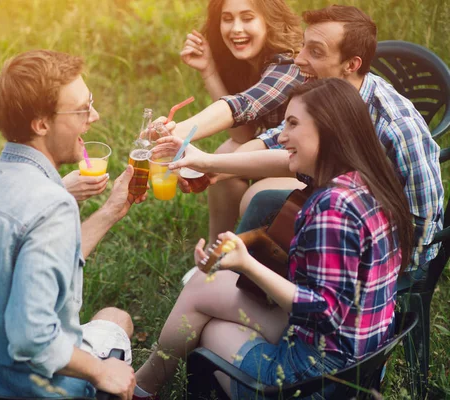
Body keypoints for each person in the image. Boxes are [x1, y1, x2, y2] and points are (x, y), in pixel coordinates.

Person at [133, 78, 413, 400]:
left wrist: (247, 265)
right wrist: (206, 161)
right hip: (362, 353)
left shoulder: (333, 208)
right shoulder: (368, 178)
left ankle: (140, 388)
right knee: (204, 285)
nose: (281, 137)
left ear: (329, 129)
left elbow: (324, 312)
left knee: (211, 329)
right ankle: (143, 386)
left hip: (318, 378)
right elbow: (281, 161)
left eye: (292, 124)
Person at [174, 4, 443, 284]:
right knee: (263, 200)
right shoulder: (324, 98)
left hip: (377, 252)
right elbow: (277, 141)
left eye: (314, 52)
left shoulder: (398, 126)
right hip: (336, 211)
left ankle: (259, 289)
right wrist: (213, 167)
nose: (299, 60)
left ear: (351, 65)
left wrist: (377, 276)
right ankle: (236, 279)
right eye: (302, 47)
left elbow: (422, 223)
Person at [0, 50, 141, 399]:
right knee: (117, 319)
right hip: (23, 390)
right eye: (83, 109)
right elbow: (33, 340)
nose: (95, 116)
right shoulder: (51, 204)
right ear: (41, 124)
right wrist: (102, 371)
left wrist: (110, 212)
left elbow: (34, 263)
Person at [174, 0, 304, 243]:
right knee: (228, 150)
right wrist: (209, 70)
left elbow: (242, 106)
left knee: (256, 197)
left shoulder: (290, 64)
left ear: (270, 21)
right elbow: (241, 136)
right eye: (227, 18)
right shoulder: (249, 62)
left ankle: (250, 265)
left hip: (323, 168)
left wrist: (175, 132)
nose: (235, 28)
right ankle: (214, 252)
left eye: (247, 18)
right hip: (285, 154)